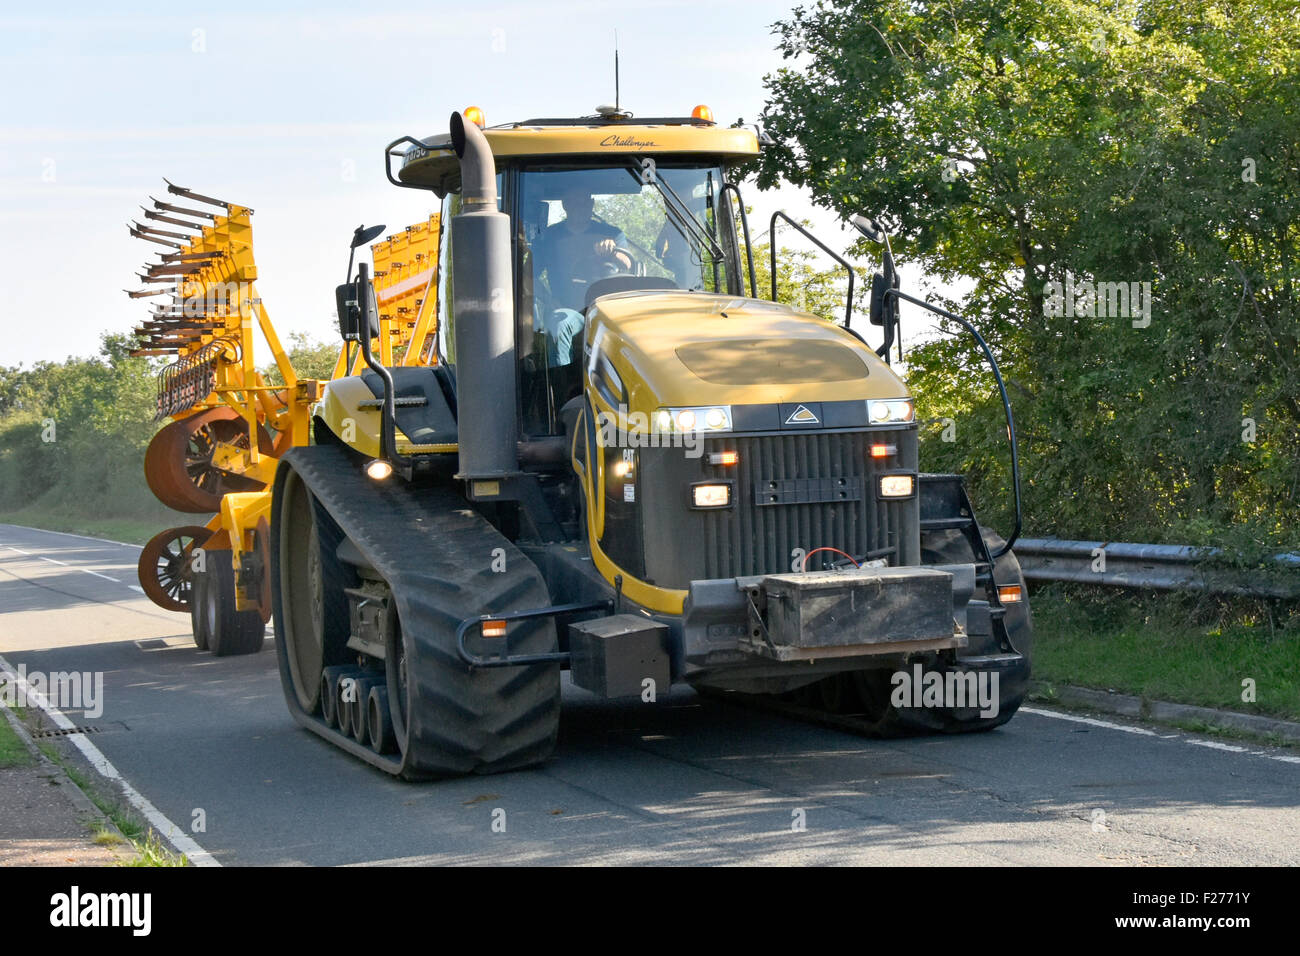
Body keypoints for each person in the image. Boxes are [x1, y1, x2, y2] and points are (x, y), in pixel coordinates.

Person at [531, 184, 632, 364]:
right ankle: (560, 387)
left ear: (592, 204)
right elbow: (527, 276)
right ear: (565, 205)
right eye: (574, 202)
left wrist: (613, 252)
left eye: (584, 202)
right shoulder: (548, 237)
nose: (580, 206)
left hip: (609, 311)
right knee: (559, 325)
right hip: (570, 310)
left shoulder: (610, 233)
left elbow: (628, 263)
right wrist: (549, 300)